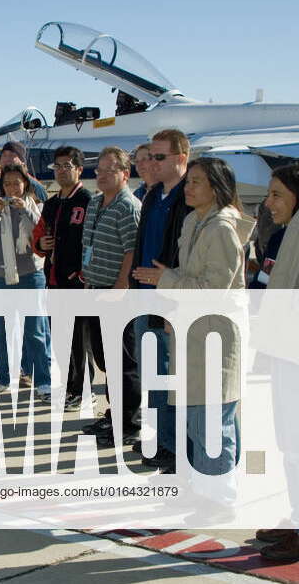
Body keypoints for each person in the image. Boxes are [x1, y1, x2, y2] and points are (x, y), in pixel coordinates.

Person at [132, 157, 254, 510]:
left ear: (215, 188)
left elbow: (214, 287)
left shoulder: (222, 229)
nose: (188, 187)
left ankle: (219, 500)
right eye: (189, 182)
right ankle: (204, 489)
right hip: (192, 334)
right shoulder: (193, 221)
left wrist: (165, 280)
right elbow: (189, 276)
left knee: (212, 423)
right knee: (196, 422)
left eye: (196, 182)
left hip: (215, 337)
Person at [128, 128, 192, 473]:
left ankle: (174, 447)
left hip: (171, 302)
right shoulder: (153, 197)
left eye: (158, 156)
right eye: (149, 156)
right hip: (144, 299)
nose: (150, 162)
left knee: (170, 378)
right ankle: (161, 440)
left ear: (181, 159)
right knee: (152, 375)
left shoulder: (188, 199)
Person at [77, 147, 143, 448]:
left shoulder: (128, 206)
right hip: (94, 290)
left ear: (125, 174)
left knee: (121, 361)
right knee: (105, 358)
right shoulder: (95, 203)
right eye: (99, 169)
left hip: (115, 294)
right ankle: (114, 412)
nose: (100, 175)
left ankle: (129, 422)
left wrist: (120, 287)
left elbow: (132, 250)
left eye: (108, 170)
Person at [255, 164, 299, 561]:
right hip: (286, 351)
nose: (268, 204)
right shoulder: (287, 234)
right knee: (289, 442)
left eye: (276, 195)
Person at [0, 163, 50, 396]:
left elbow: (42, 234)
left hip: (30, 275)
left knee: (34, 330)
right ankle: (4, 378)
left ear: (25, 184)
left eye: (16, 183)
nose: (11, 188)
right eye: (6, 184)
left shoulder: (35, 206)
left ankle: (43, 380)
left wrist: (26, 211)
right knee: (4, 330)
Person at [32, 146, 92, 409]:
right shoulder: (53, 203)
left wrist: (82, 273)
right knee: (60, 337)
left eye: (67, 165)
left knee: (78, 340)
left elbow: (92, 242)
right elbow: (38, 235)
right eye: (57, 166)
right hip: (53, 280)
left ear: (79, 169)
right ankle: (68, 386)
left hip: (75, 281)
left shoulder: (88, 200)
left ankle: (80, 391)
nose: (61, 170)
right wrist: (41, 245)